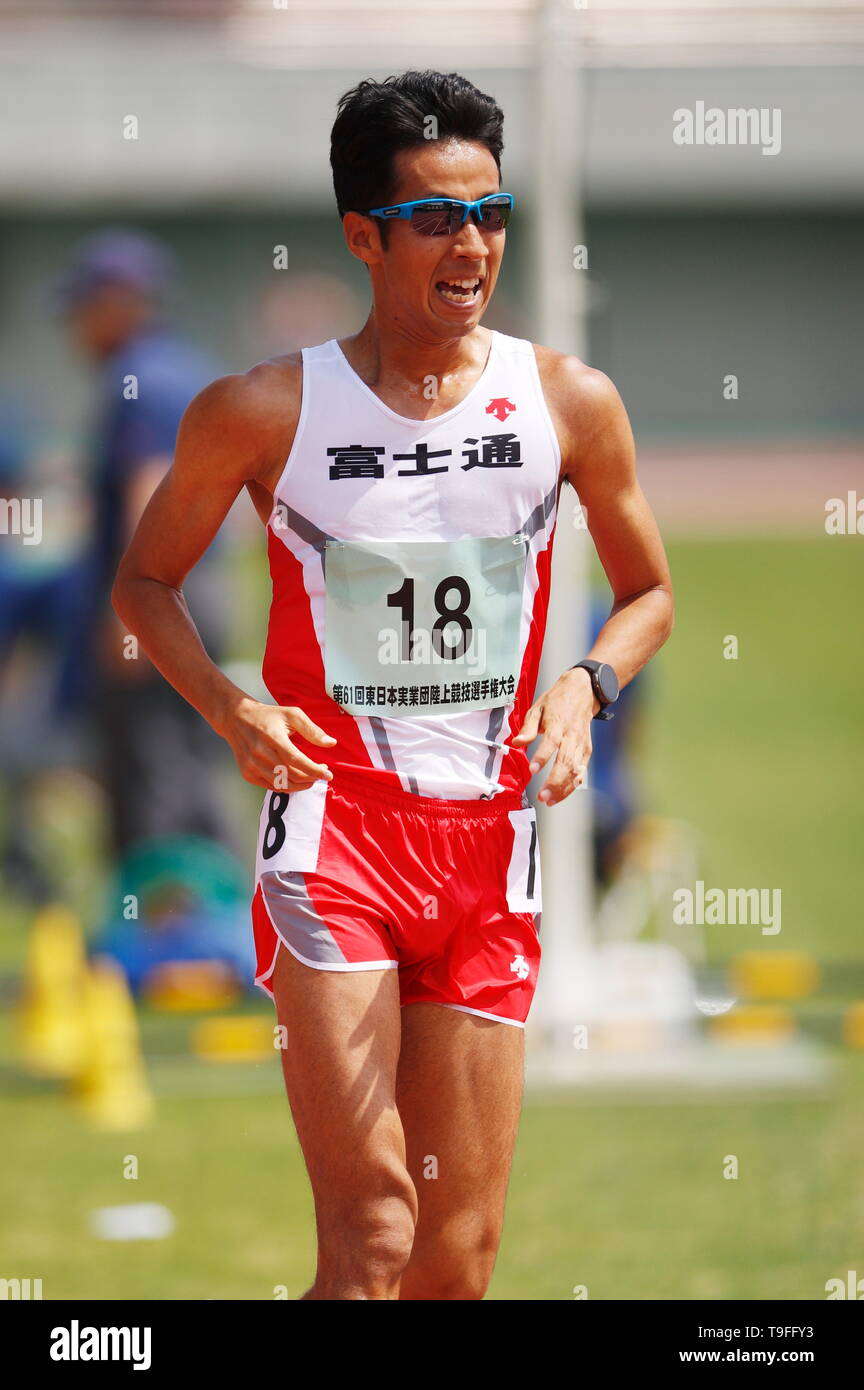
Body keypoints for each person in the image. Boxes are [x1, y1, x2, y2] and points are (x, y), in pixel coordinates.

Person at [112, 71, 674, 1300]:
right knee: (371, 1235)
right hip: (336, 836)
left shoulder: (570, 402)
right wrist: (230, 704)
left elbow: (649, 595)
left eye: (491, 212)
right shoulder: (261, 410)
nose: (470, 243)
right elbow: (144, 584)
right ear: (364, 236)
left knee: (452, 1268)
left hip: (489, 847)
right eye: (434, 218)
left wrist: (585, 684)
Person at [53, 229, 235, 855]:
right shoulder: (184, 368)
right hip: (196, 590)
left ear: (119, 301)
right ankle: (212, 931)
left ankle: (167, 941)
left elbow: (148, 487)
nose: (75, 326)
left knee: (153, 777)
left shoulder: (141, 378)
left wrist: (131, 614)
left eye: (82, 307)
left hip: (164, 592)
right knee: (188, 763)